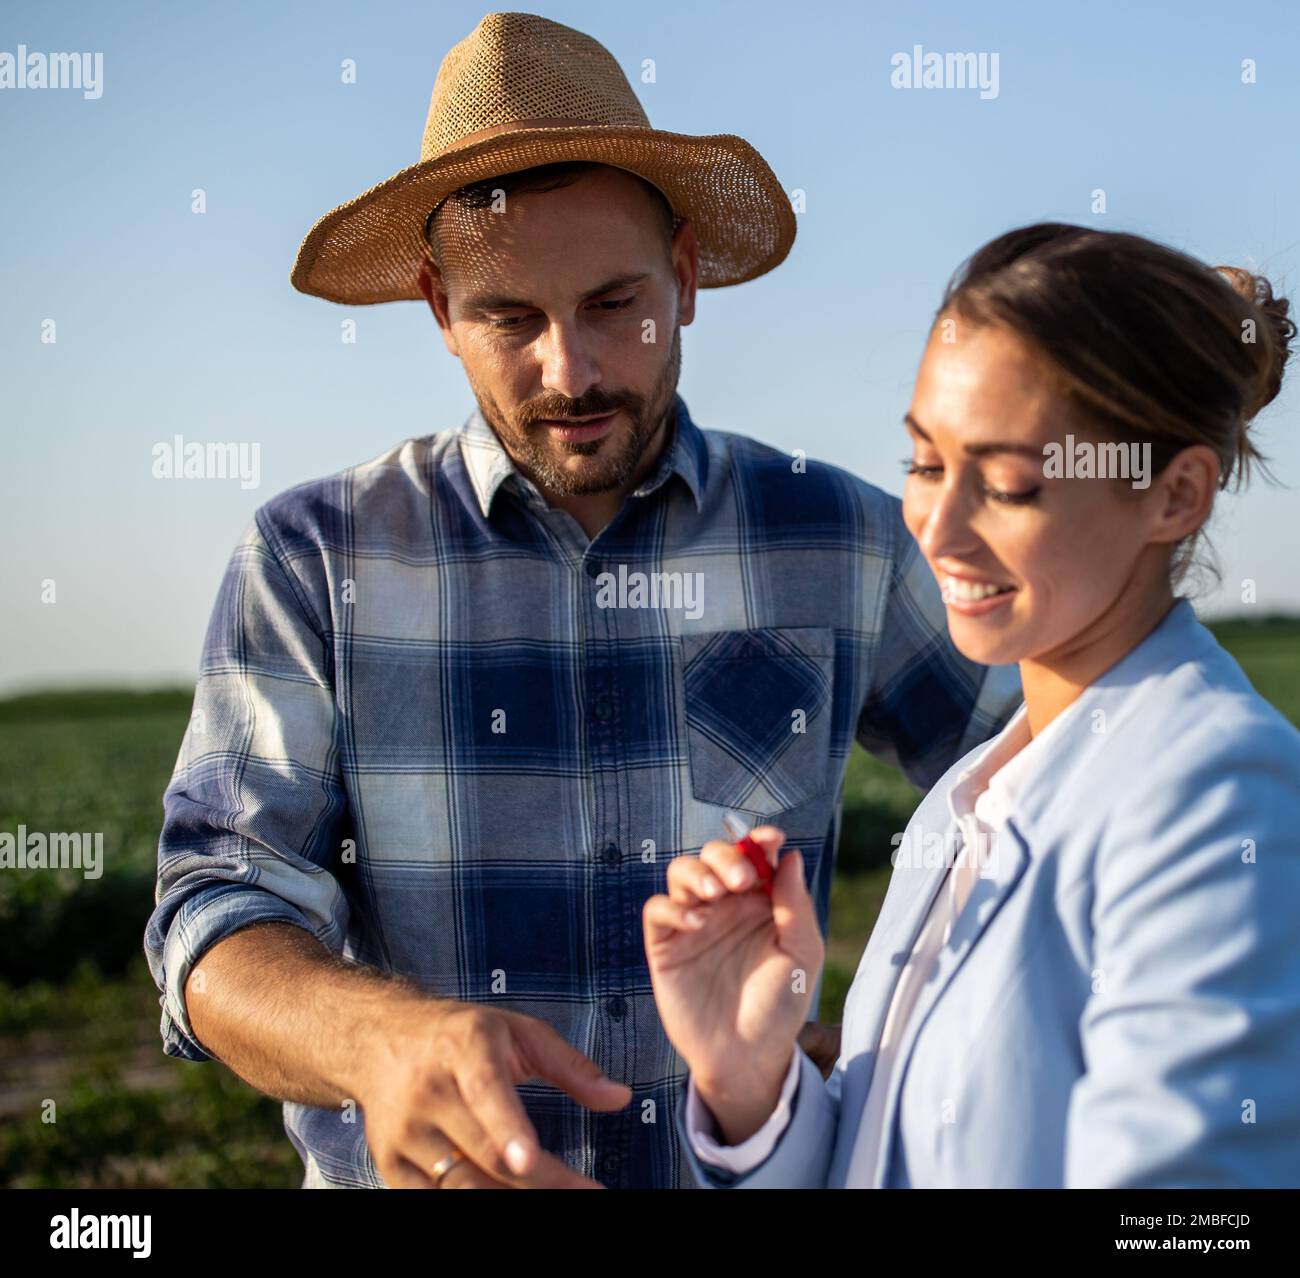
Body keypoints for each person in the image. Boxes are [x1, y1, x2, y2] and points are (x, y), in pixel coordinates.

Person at [143, 13, 1020, 1190]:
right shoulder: (314, 561)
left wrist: (902, 1050)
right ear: (436, 308)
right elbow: (214, 912)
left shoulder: (843, 539)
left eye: (615, 304)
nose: (573, 371)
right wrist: (383, 1042)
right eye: (510, 317)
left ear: (690, 278)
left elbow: (1043, 791)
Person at [647, 222, 1300, 1188]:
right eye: (924, 464)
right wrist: (752, 1084)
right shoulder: (971, 789)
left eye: (1009, 484)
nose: (938, 529)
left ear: (1176, 496)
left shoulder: (1218, 798)